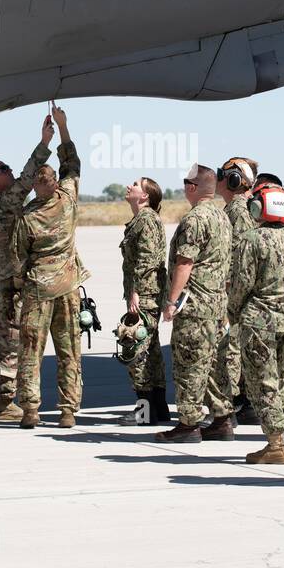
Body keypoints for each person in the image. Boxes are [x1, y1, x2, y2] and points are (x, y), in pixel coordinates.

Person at [11, 107, 89, 429]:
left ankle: (30, 410)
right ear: (54, 182)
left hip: (38, 289)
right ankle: (68, 410)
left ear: (35, 187)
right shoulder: (68, 198)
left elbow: (19, 257)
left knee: (31, 350)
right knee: (68, 350)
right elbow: (72, 162)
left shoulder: (28, 216)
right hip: (68, 287)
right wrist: (63, 127)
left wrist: (20, 285)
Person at [0, 123, 55, 421]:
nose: (10, 172)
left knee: (0, 340)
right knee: (11, 340)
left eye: (7, 167)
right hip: (7, 284)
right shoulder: (3, 203)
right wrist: (45, 141)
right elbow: (27, 178)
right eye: (3, 169)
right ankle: (6, 403)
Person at [227, 180, 284, 464]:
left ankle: (275, 444)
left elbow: (240, 285)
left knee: (263, 383)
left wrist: (234, 313)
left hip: (260, 323)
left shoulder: (251, 239)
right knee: (280, 380)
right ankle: (280, 433)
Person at [155, 164, 232, 443]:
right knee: (212, 364)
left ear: (192, 187)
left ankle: (188, 425)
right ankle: (222, 419)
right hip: (216, 305)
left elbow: (185, 263)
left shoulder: (195, 219)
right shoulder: (222, 218)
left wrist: (171, 301)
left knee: (188, 364)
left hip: (195, 305)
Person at [119, 176, 170, 423]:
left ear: (145, 196)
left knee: (135, 347)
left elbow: (147, 260)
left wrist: (135, 293)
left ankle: (144, 413)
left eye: (135, 185)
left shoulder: (147, 220)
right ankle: (158, 408)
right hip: (147, 292)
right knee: (151, 350)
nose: (130, 187)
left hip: (145, 294)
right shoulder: (141, 219)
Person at [216, 157, 259, 426]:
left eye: (223, 174)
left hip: (236, 294)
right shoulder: (232, 209)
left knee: (231, 348)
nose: (218, 178)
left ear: (234, 181)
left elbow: (242, 258)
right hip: (234, 292)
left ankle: (231, 407)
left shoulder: (239, 212)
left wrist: (231, 295)